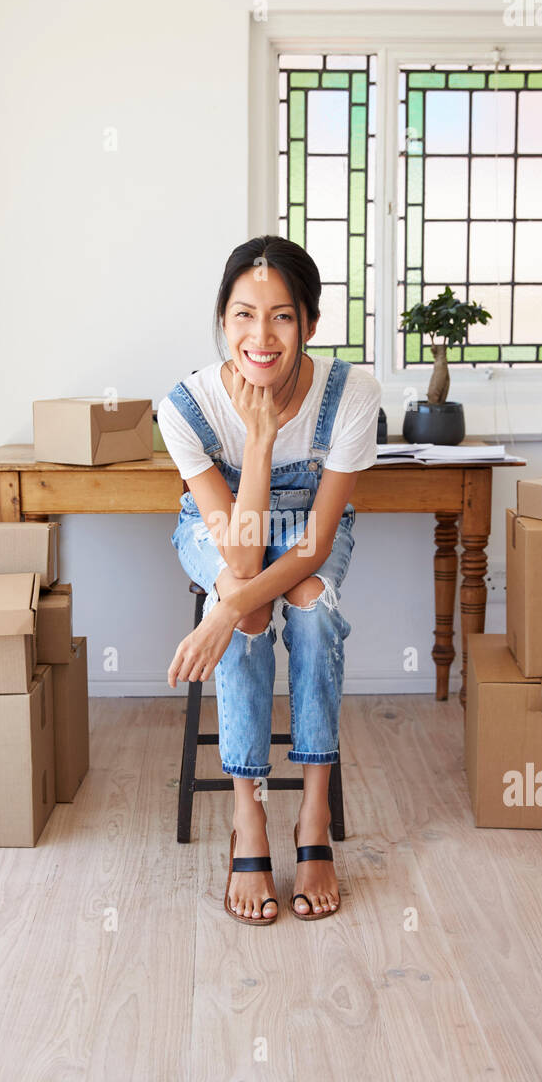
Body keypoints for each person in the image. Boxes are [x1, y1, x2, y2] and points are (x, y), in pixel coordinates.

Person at [158, 235, 381, 925]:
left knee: (310, 607)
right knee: (254, 613)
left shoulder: (351, 395)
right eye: (243, 315)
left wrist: (219, 613)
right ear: (223, 322)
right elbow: (243, 561)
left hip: (310, 529)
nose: (262, 335)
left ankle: (312, 821)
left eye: (282, 316)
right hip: (219, 524)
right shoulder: (186, 408)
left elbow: (313, 545)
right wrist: (256, 440)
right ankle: (247, 818)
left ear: (310, 323)